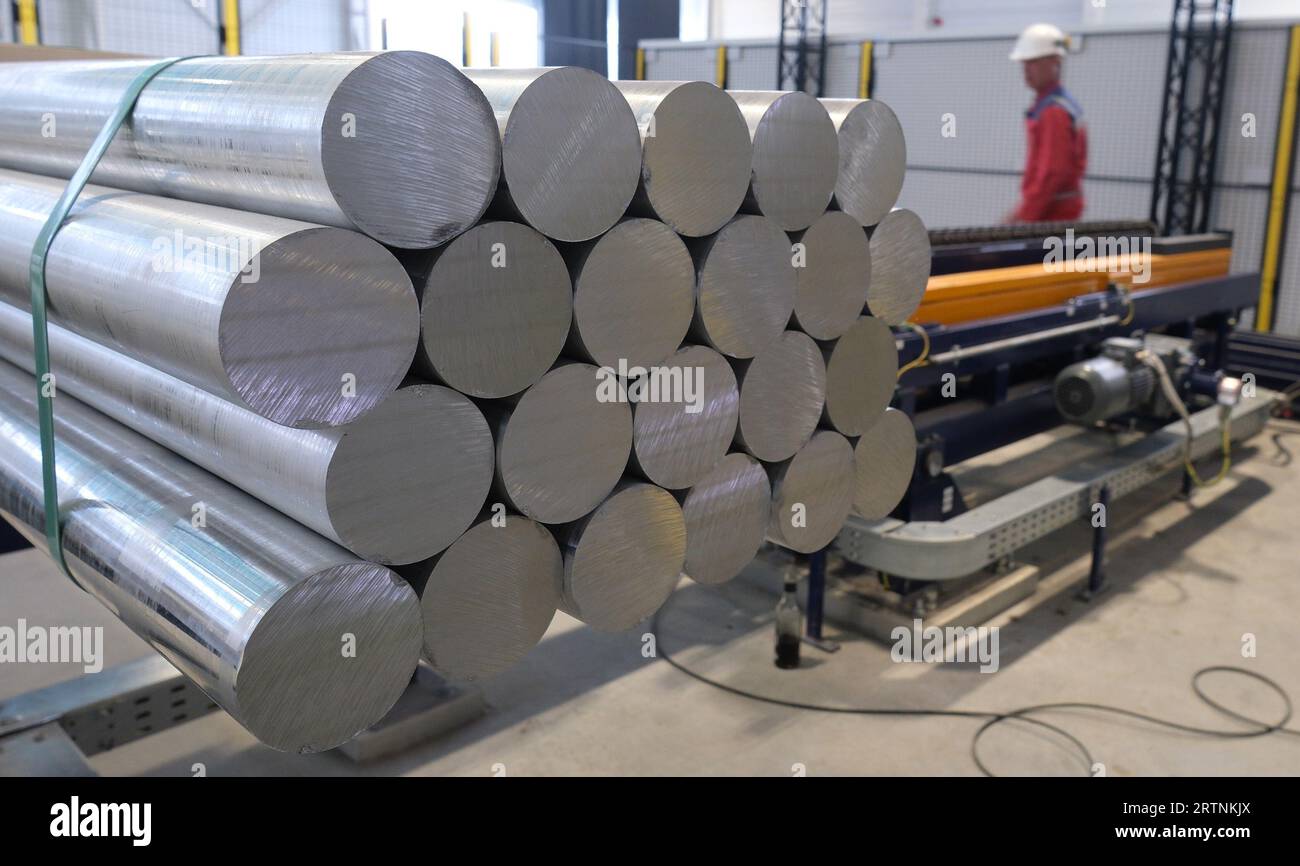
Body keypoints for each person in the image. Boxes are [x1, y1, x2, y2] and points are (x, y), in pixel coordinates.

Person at [1007, 23, 1088, 223]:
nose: (1026, 70)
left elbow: (1052, 174)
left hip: (1049, 217)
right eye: (1024, 63)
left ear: (1055, 61)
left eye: (1033, 62)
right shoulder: (1051, 105)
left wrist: (1022, 219)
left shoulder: (1054, 111)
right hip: (1050, 212)